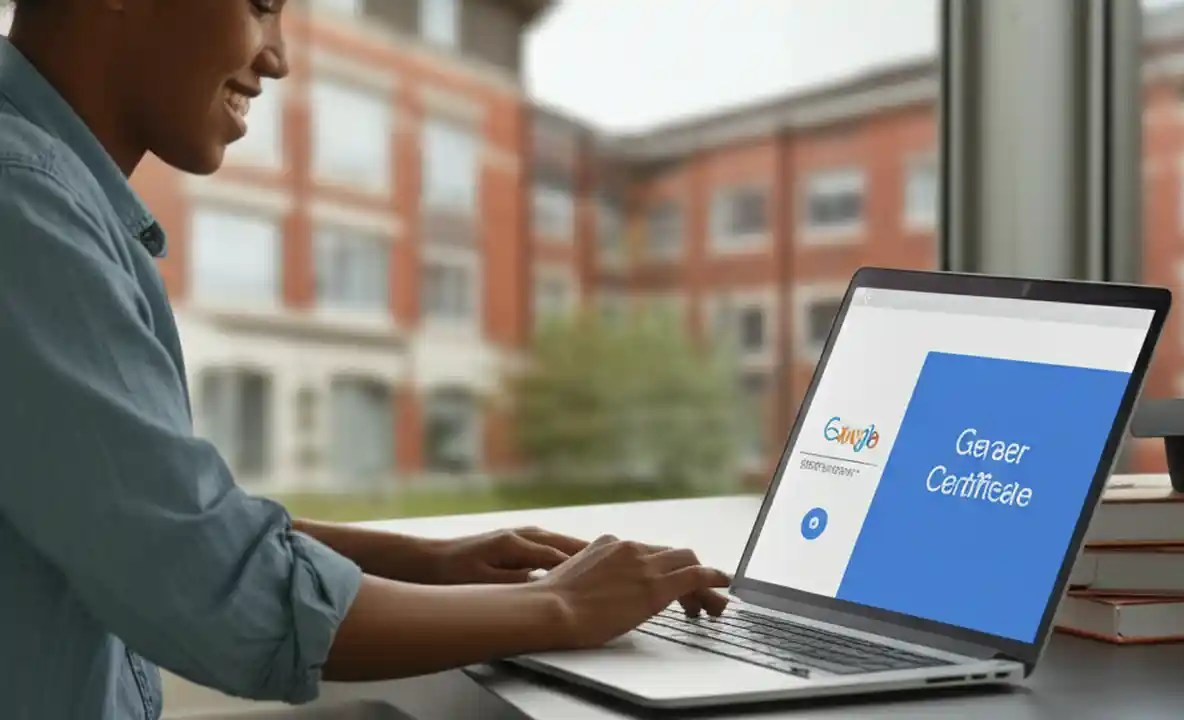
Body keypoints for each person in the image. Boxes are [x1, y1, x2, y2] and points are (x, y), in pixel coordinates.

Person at [0, 1, 731, 717]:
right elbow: (223, 592)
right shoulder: (24, 208)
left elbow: (159, 519)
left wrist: (428, 562)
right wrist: (560, 604)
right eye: (261, 7)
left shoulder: (50, 198)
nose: (278, 58)